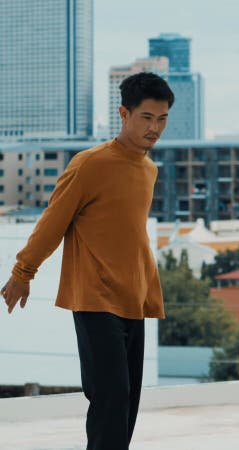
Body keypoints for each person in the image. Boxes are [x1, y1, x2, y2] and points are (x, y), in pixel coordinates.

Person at [1, 72, 174, 450]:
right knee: (110, 400)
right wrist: (22, 272)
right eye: (146, 117)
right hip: (95, 297)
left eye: (161, 119)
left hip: (135, 297)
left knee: (126, 404)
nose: (154, 128)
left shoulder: (148, 169)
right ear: (123, 114)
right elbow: (53, 222)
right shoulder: (90, 164)